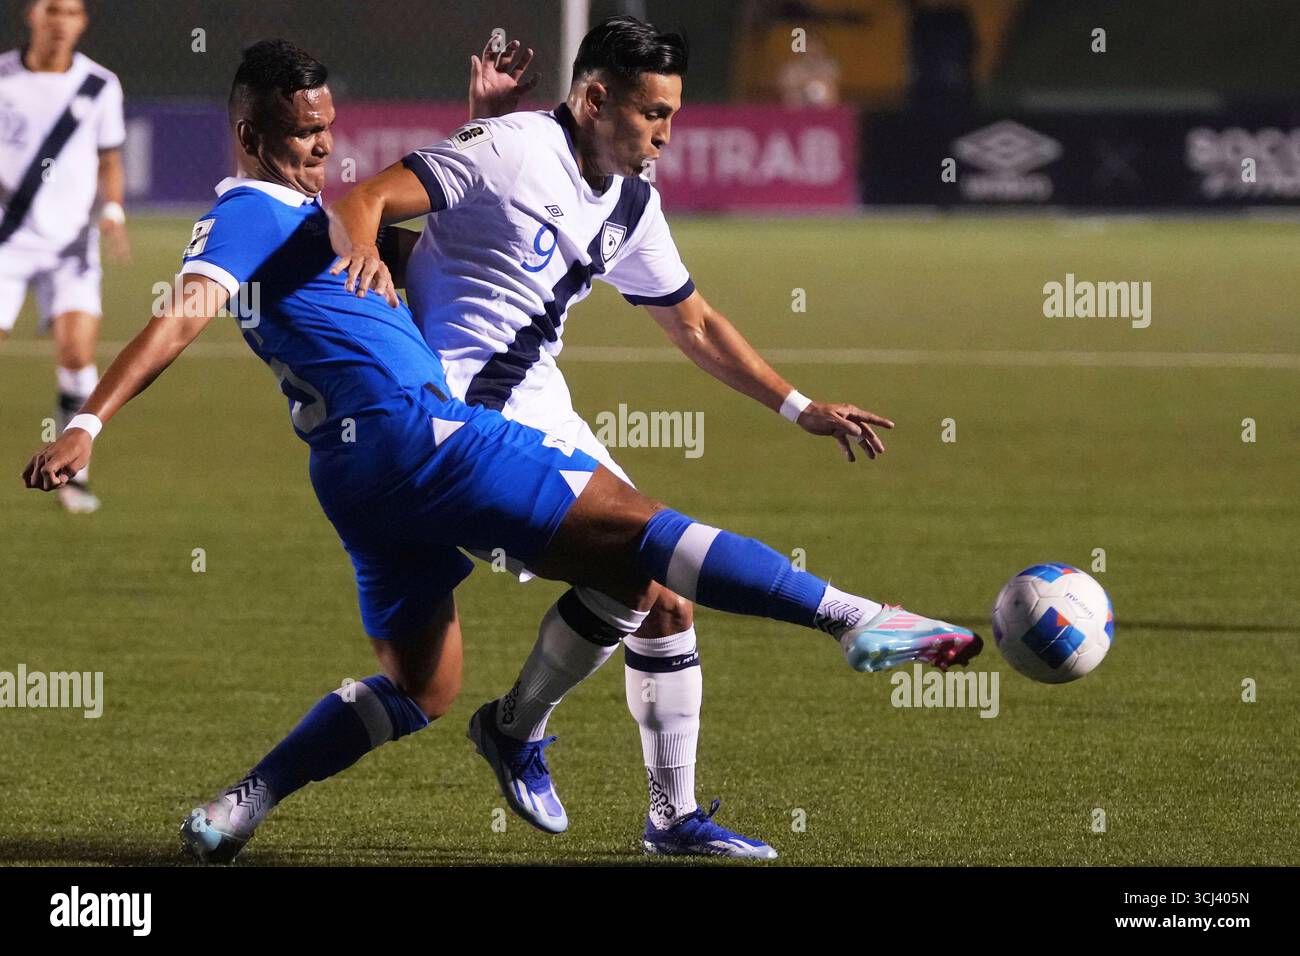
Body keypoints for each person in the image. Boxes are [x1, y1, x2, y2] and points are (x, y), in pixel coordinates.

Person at [23, 39, 981, 865]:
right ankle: (853, 617)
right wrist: (88, 421)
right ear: (250, 138)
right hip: (429, 437)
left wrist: (472, 127)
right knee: (648, 542)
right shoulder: (253, 215)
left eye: (326, 127)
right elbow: (182, 314)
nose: (322, 149)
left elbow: (439, 238)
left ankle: (242, 805)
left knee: (420, 685)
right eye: (300, 134)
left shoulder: (306, 229)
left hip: (356, 484)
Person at [328, 15, 888, 857]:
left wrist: (799, 406)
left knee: (662, 598)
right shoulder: (513, 145)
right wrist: (367, 257)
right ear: (593, 98)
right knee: (649, 562)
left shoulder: (632, 200)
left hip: (542, 405)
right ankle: (524, 730)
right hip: (467, 424)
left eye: (672, 113)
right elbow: (362, 199)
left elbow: (693, 322)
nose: (666, 133)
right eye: (652, 113)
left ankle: (663, 812)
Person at [0, 0, 128, 513]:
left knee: (76, 355)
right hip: (7, 241)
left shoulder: (101, 85)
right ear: (32, 15)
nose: (61, 20)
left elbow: (110, 158)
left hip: (71, 246)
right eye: (52, 9)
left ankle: (73, 476)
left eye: (71, 11)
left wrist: (114, 208)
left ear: (82, 23)